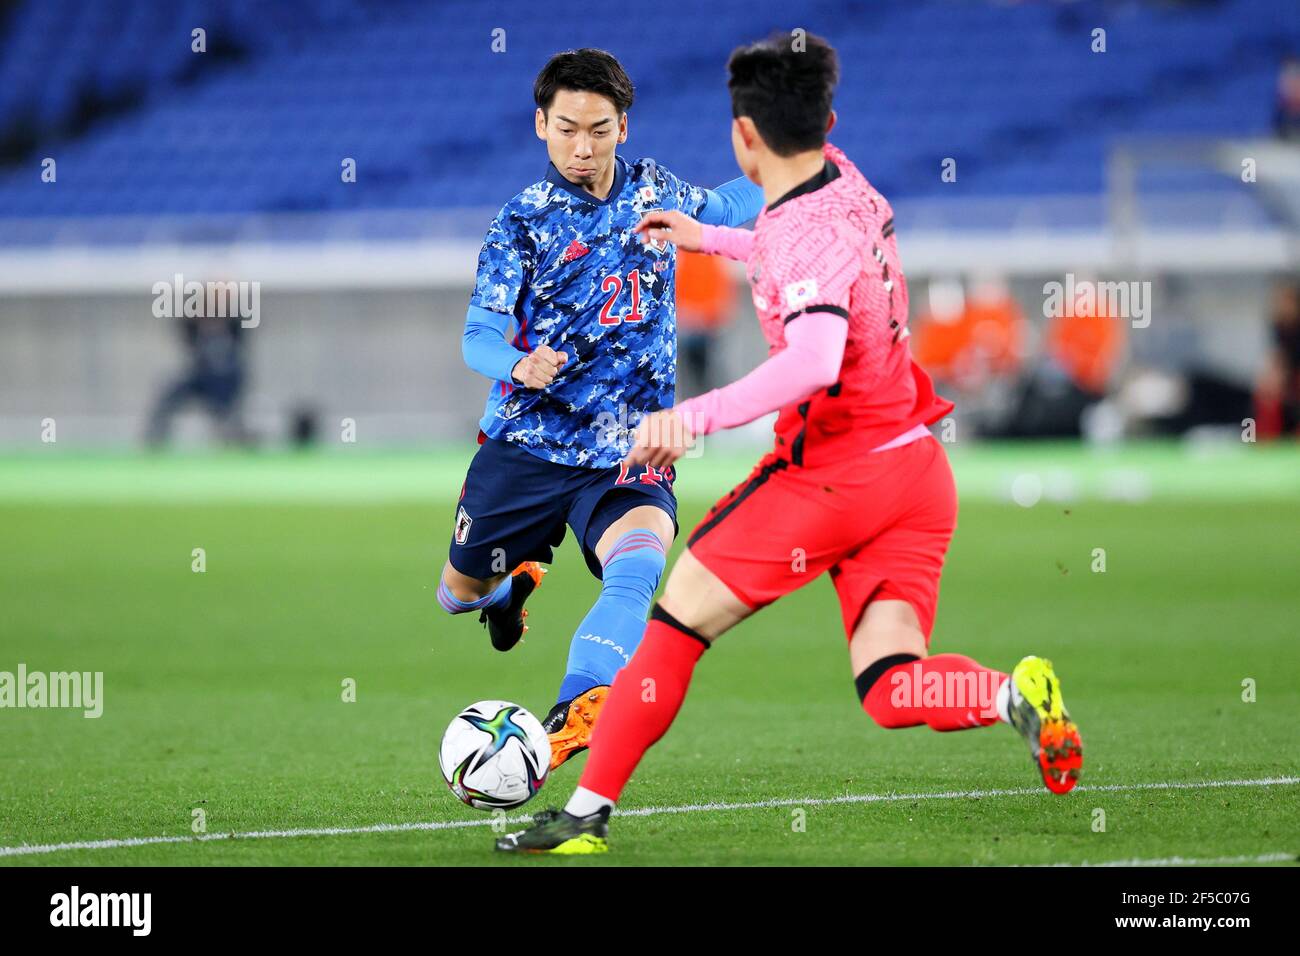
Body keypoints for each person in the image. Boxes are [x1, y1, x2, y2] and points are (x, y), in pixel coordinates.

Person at [497, 33, 1082, 855]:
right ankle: (1009, 696)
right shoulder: (848, 182)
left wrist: (689, 418)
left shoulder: (803, 229)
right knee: (889, 683)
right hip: (917, 471)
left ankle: (584, 815)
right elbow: (796, 244)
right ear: (825, 121)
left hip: (835, 479)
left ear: (743, 137)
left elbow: (812, 359)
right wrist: (706, 236)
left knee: (671, 628)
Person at [439, 49, 764, 770]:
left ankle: (575, 708)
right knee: (457, 593)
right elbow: (478, 335)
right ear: (539, 126)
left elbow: (729, 204)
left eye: (598, 129)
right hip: (528, 445)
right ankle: (502, 599)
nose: (581, 147)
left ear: (624, 125)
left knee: (641, 562)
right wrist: (517, 363)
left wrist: (797, 176)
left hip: (628, 445)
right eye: (565, 130)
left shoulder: (656, 190)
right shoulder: (521, 221)